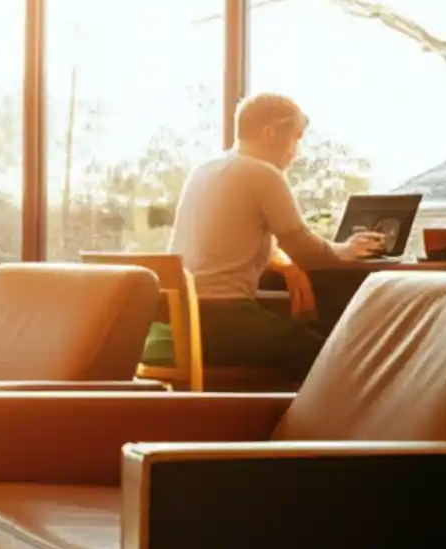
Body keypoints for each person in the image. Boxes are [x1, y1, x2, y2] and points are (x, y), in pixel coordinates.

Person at [148, 93, 385, 381]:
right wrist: (345, 251)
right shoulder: (262, 173)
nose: (295, 153)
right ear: (270, 133)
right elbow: (305, 250)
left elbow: (229, 238)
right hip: (222, 323)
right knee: (338, 361)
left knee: (298, 339)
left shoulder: (206, 170)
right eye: (295, 138)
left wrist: (283, 264)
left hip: (175, 324)